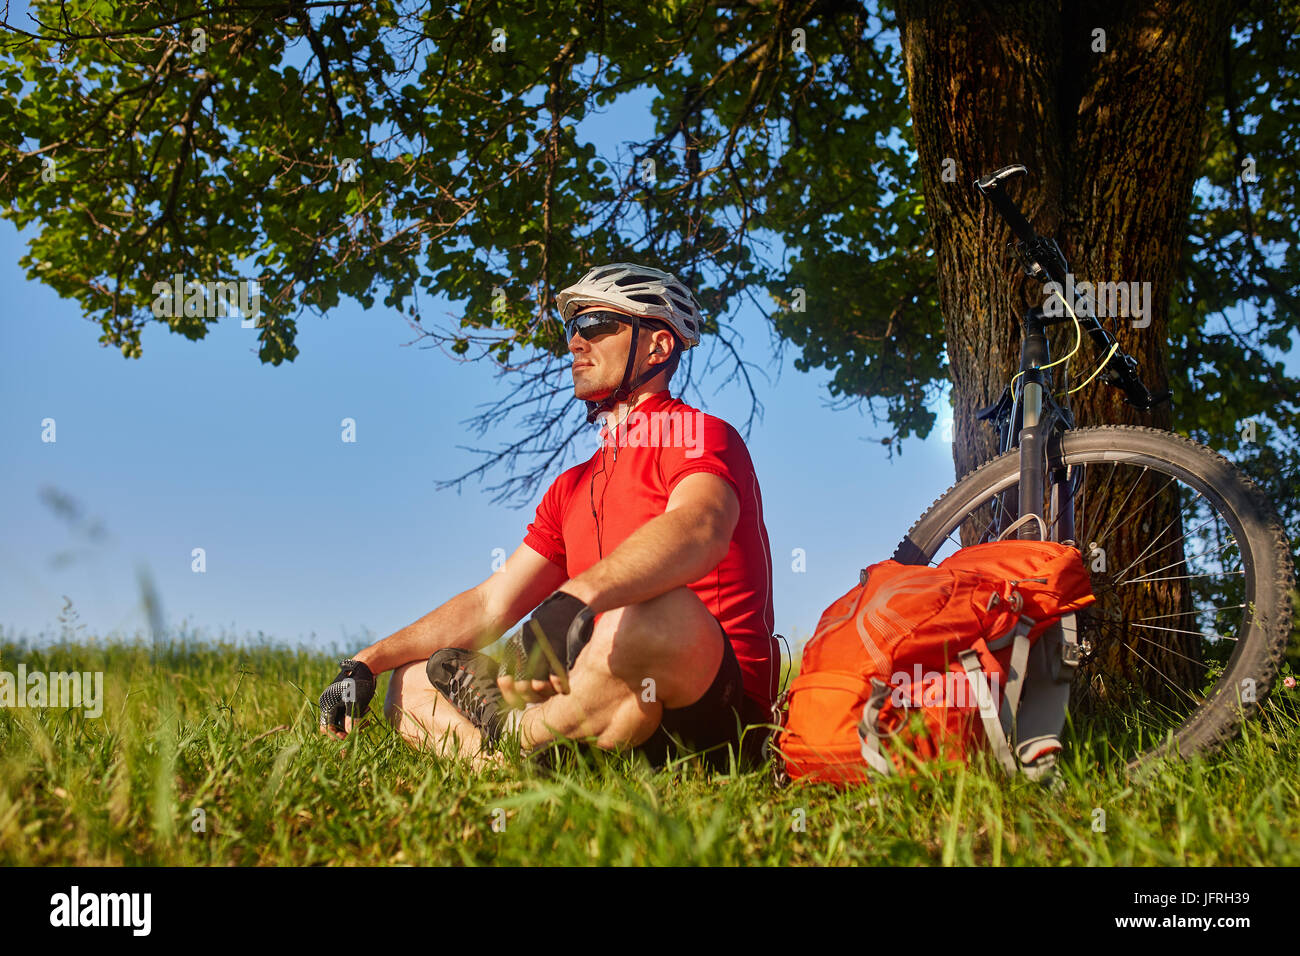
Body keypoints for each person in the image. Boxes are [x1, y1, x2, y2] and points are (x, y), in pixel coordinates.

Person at [319, 263, 779, 770]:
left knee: (647, 614)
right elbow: (491, 603)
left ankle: (516, 736)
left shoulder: (698, 434)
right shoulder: (573, 485)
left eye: (597, 324)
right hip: (607, 709)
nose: (576, 342)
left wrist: (576, 600)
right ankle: (513, 767)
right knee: (409, 682)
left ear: (657, 348)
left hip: (715, 714)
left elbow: (701, 528)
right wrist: (366, 661)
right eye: (572, 328)